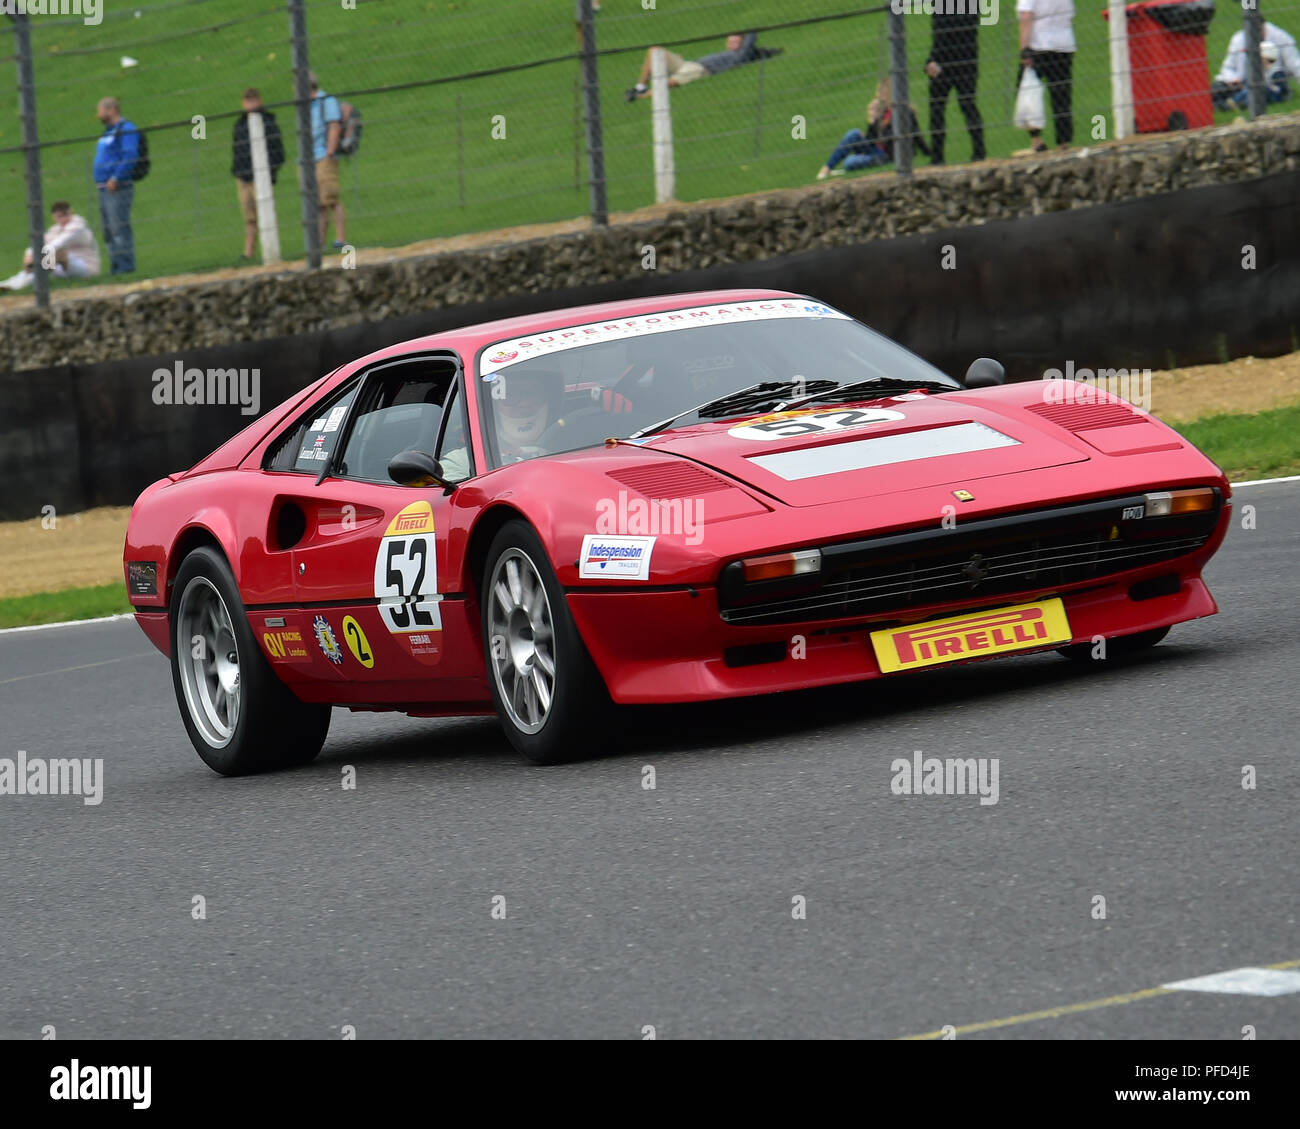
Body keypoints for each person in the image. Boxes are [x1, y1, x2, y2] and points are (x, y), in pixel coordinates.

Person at [815, 79, 930, 179]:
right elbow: (871, 138)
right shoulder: (883, 112)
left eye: (882, 93)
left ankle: (860, 160)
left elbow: (901, 136)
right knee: (853, 134)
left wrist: (927, 152)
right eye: (878, 93)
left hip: (889, 155)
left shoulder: (903, 112)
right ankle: (827, 168)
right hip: (877, 150)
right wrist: (872, 120)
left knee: (849, 163)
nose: (879, 96)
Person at [625, 32, 774, 101]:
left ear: (742, 45)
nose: (730, 43)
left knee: (668, 84)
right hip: (690, 63)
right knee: (655, 51)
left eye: (735, 41)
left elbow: (751, 37)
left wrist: (749, 30)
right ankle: (640, 87)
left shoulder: (739, 56)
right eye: (730, 40)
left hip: (699, 71)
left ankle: (640, 97)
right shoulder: (728, 53)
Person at [231, 87, 285, 262]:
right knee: (249, 216)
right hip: (243, 176)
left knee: (265, 213)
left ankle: (270, 250)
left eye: (253, 100)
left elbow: (278, 150)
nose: (250, 103)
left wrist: (270, 172)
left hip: (261, 177)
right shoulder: (239, 125)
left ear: (259, 101)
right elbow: (237, 149)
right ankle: (248, 252)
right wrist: (238, 171)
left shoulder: (268, 122)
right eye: (247, 100)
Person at [926, 9, 985, 165]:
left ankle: (938, 158)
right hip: (965, 60)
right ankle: (978, 152)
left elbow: (943, 33)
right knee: (965, 105)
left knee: (941, 107)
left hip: (948, 61)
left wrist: (932, 60)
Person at [1016, 0, 1075, 152]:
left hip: (1039, 45)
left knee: (1026, 92)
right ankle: (1063, 142)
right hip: (1064, 44)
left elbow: (1026, 15)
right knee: (1061, 95)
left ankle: (1036, 140)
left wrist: (1024, 48)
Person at [0, 202, 100, 291]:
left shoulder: (78, 226)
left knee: (56, 253)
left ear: (71, 212)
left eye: (66, 215)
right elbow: (39, 243)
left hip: (86, 268)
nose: (64, 219)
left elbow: (58, 243)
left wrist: (35, 256)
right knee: (42, 259)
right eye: (59, 216)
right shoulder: (55, 229)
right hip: (62, 269)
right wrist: (30, 254)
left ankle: (22, 284)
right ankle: (10, 284)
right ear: (54, 218)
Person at [93, 96, 140, 274]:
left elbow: (130, 155)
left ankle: (125, 266)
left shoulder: (126, 129)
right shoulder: (107, 132)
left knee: (118, 227)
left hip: (116, 187)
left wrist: (116, 177)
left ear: (111, 110)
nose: (98, 115)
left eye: (100, 111)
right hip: (103, 188)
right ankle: (115, 265)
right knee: (109, 230)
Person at [1213, 21, 1300, 109]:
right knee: (1215, 89)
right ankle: (1228, 103)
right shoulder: (1238, 39)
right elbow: (1227, 68)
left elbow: (1295, 66)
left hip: (1266, 85)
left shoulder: (1281, 38)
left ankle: (1230, 104)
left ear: (1263, 26)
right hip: (1241, 83)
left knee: (1256, 92)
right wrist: (1233, 79)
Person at [308, 72, 347, 250]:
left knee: (331, 199)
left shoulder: (326, 100)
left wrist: (330, 152)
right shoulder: (306, 104)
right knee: (318, 203)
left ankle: (340, 239)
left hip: (324, 156)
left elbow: (334, 125)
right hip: (310, 158)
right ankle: (321, 242)